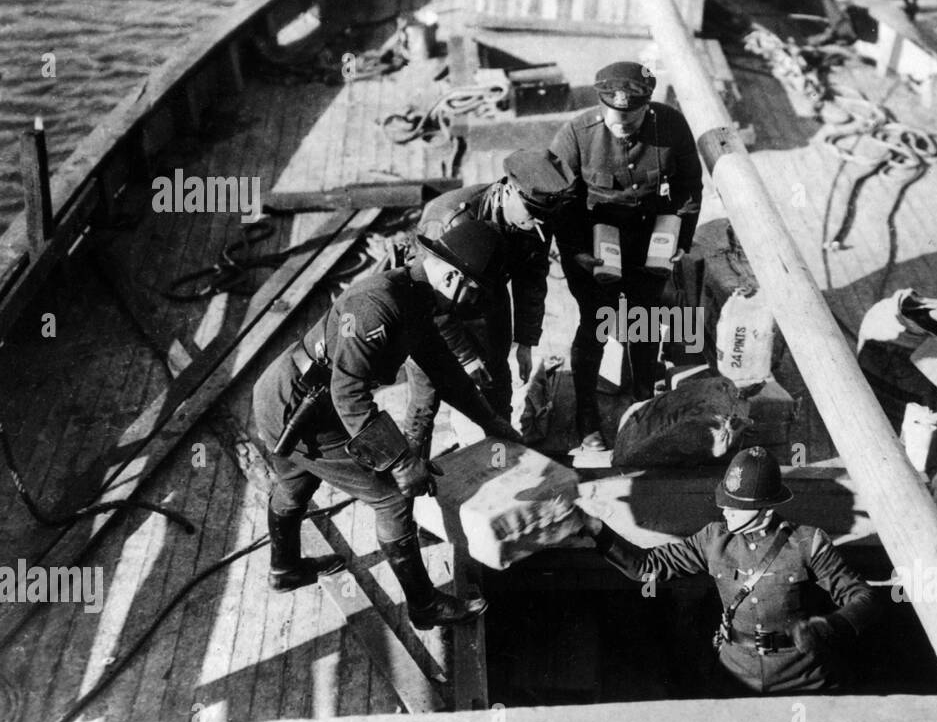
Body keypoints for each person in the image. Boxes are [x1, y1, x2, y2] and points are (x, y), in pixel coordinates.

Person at [253, 219, 520, 629]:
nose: (475, 306)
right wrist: (401, 462)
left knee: (296, 482)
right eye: (476, 294)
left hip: (291, 398)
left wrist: (490, 420)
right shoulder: (375, 307)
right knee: (392, 498)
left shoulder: (415, 296)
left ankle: (284, 570)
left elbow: (442, 369)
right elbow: (351, 398)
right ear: (451, 276)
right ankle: (425, 607)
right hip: (303, 411)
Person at [575, 446, 881, 694]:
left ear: (767, 508)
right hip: (735, 676)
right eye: (726, 501)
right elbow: (648, 568)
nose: (725, 509)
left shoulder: (807, 542)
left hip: (804, 678)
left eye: (737, 505)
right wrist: (596, 529)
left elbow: (862, 596)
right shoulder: (713, 539)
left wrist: (828, 628)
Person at [550, 61, 703, 450]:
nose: (624, 123)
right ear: (601, 104)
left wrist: (679, 236)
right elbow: (558, 203)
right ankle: (586, 413)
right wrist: (575, 252)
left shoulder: (670, 126)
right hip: (593, 246)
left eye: (633, 117)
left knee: (645, 321)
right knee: (596, 325)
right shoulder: (576, 135)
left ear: (647, 107)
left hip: (649, 243)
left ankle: (642, 403)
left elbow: (689, 186)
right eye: (616, 116)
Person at [403, 149, 575, 454]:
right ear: (508, 188)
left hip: (488, 304)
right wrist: (466, 357)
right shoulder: (448, 220)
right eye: (531, 213)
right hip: (433, 315)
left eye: (543, 218)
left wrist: (526, 342)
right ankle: (413, 478)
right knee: (425, 403)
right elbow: (425, 302)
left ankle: (499, 469)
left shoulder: (535, 219)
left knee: (497, 393)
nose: (537, 224)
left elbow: (531, 282)